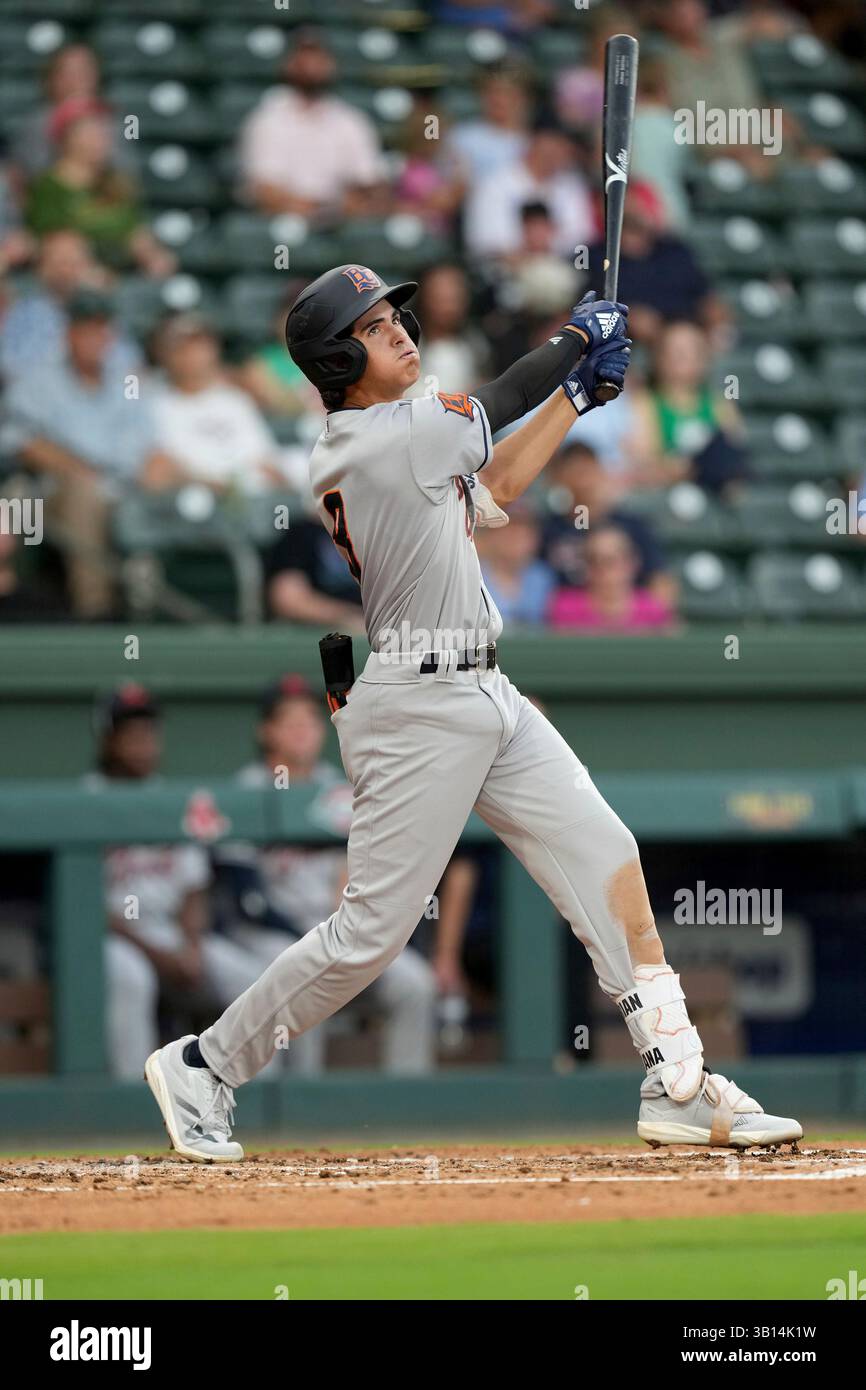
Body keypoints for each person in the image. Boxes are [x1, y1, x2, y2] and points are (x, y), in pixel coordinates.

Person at [144, 263, 800, 1161]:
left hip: (484, 686)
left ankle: (676, 1078)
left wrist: (574, 396)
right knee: (369, 935)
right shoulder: (377, 437)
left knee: (607, 851)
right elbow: (496, 400)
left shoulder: (401, 439)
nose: (402, 332)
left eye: (396, 318)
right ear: (339, 358)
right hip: (416, 700)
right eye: (376, 329)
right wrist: (575, 344)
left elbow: (490, 494)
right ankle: (204, 1066)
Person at [216, 675, 436, 1074]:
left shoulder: (338, 788)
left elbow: (364, 871)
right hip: (265, 934)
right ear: (266, 731)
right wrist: (313, 941)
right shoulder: (244, 790)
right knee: (305, 975)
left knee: (415, 984)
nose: (303, 730)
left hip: (334, 927)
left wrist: (343, 927)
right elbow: (246, 898)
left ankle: (406, 1108)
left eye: (310, 720)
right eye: (289, 720)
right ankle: (302, 1108)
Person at [89, 685, 276, 1080]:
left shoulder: (171, 798)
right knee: (130, 978)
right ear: (108, 740)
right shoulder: (87, 798)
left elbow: (194, 887)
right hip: (114, 937)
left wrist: (190, 946)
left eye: (149, 733)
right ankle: (136, 1098)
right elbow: (87, 906)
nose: (143, 743)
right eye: (131, 734)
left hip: (172, 931)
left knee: (252, 979)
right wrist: (159, 954)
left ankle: (258, 1100)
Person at [1, 290, 169, 617]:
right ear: (69, 334)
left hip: (125, 484)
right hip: (49, 493)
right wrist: (77, 468)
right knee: (84, 493)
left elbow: (151, 445)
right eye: (86, 330)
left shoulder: (126, 382)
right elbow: (19, 441)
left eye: (101, 330)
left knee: (165, 488)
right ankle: (95, 611)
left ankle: (152, 614)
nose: (95, 339)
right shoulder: (39, 379)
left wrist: (152, 470)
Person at [239, 27, 386, 219]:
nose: (311, 65)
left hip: (341, 224)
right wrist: (318, 210)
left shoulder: (351, 121)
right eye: (303, 56)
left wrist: (346, 206)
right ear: (288, 63)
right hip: (285, 223)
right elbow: (265, 191)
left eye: (317, 56)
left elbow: (370, 181)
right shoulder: (267, 120)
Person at [24, 96, 174, 276]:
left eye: (103, 131)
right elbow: (53, 242)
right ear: (67, 138)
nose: (102, 138)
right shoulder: (49, 186)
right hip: (75, 275)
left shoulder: (118, 182)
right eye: (91, 131)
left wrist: (152, 255)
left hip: (122, 271)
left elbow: (135, 230)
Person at [147, 314, 286, 494]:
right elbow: (160, 470)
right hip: (194, 503)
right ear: (166, 354)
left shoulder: (236, 400)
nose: (195, 355)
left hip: (253, 497)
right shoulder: (154, 406)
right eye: (184, 348)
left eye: (201, 345)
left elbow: (266, 460)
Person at [585, 181, 729, 348]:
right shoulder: (595, 255)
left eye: (638, 203)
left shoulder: (674, 249)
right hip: (630, 343)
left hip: (685, 331)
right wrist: (623, 316)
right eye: (625, 204)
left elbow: (706, 296)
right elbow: (585, 308)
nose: (633, 210)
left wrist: (717, 321)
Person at [542, 441, 674, 604]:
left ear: (600, 471)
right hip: (567, 616)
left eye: (586, 470)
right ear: (559, 477)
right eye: (574, 471)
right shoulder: (550, 529)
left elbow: (659, 580)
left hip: (623, 614)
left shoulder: (631, 525)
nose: (582, 480)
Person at [0, 229, 139, 382]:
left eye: (74, 262)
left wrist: (131, 399)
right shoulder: (24, 313)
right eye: (59, 262)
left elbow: (131, 370)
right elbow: (11, 369)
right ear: (42, 269)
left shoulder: (104, 313)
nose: (66, 270)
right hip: (46, 401)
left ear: (88, 266)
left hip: (105, 401)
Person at [629, 319, 749, 494]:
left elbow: (735, 455)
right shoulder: (644, 403)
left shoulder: (719, 404)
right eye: (675, 351)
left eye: (691, 351)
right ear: (658, 356)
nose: (682, 358)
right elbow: (643, 462)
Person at [463, 119, 594, 263]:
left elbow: (582, 237)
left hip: (560, 267)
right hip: (502, 270)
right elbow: (484, 239)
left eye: (566, 145)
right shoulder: (495, 183)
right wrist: (526, 252)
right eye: (554, 142)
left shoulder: (572, 185)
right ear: (534, 141)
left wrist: (547, 248)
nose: (561, 150)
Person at [548, 522, 677, 634]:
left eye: (611, 560)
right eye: (593, 560)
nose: (602, 569)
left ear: (631, 562)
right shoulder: (565, 607)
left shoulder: (653, 609)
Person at [404, 263, 490, 397]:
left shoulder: (476, 342)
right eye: (440, 298)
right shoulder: (403, 343)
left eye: (454, 297)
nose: (449, 307)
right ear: (423, 297)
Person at [474, 497, 557, 627]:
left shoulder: (543, 577)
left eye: (525, 529)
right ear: (490, 534)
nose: (517, 535)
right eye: (507, 528)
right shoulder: (473, 575)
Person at [445, 66, 531, 187]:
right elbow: (454, 186)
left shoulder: (534, 141)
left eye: (507, 93)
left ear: (522, 98)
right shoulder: (462, 136)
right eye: (493, 92)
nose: (499, 100)